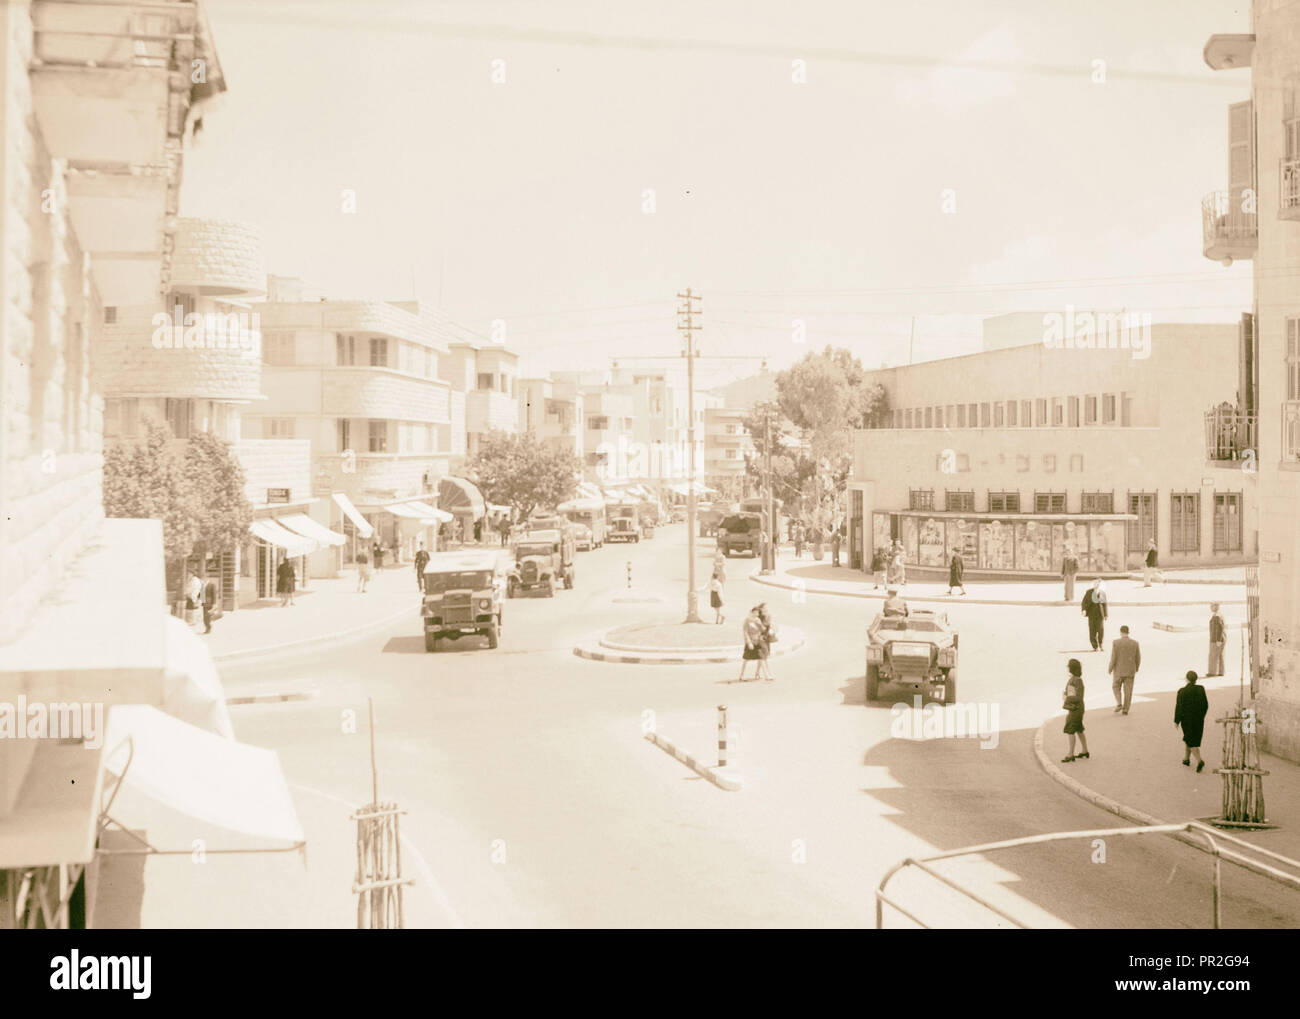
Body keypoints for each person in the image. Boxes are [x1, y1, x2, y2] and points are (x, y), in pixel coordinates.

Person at [1174, 670, 1210, 772]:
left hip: (1187, 720)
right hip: (1198, 719)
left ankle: (1199, 760)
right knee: (1190, 738)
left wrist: (1177, 721)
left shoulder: (1182, 691)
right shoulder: (1201, 689)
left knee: (1190, 740)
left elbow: (1179, 707)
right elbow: (1205, 705)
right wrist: (1201, 716)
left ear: (1187, 679)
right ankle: (1186, 759)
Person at [1108, 624, 1142, 715]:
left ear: (1121, 632)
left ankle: (1119, 703)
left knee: (1116, 687)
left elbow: (1113, 657)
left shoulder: (1116, 642)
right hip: (1130, 670)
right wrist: (1136, 668)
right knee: (1128, 691)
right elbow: (1138, 657)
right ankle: (1126, 709)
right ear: (1128, 632)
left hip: (1118, 671)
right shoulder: (1135, 643)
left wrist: (1110, 668)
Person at [1061, 658, 1090, 763]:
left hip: (1075, 708)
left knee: (1070, 729)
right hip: (1077, 708)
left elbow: (1078, 697)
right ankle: (1085, 750)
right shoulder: (1076, 679)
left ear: (1071, 668)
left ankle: (1070, 754)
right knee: (1079, 729)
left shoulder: (1076, 680)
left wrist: (1066, 697)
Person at [739, 606, 765, 682]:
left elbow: (763, 630)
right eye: (754, 612)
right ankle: (742, 675)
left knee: (760, 658)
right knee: (746, 659)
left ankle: (757, 673)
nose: (756, 614)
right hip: (750, 641)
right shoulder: (747, 620)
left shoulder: (758, 620)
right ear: (751, 612)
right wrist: (749, 642)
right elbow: (745, 632)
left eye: (757, 613)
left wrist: (760, 624)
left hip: (758, 641)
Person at [1082, 578, 1108, 651]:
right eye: (1095, 583)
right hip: (1091, 614)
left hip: (1100, 614)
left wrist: (1106, 614)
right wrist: (1084, 610)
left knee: (1100, 630)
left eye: (1098, 583)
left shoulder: (1102, 593)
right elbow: (1084, 602)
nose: (1097, 585)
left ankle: (1101, 644)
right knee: (1092, 630)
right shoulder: (1089, 592)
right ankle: (1095, 646)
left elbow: (1105, 604)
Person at [756, 603, 775, 681]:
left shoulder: (768, 616)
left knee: (763, 657)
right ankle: (767, 674)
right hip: (760, 639)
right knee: (764, 657)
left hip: (767, 639)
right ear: (761, 609)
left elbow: (770, 627)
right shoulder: (758, 618)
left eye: (767, 608)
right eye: (764, 608)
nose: (766, 609)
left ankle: (757, 673)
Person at [1208, 603, 1226, 677]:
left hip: (1216, 638)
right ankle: (1221, 672)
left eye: (1212, 606)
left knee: (1213, 655)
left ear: (1216, 607)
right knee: (1220, 655)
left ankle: (1213, 672)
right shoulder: (1219, 615)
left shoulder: (1217, 616)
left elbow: (1219, 628)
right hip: (1221, 637)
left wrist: (1218, 640)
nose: (1210, 608)